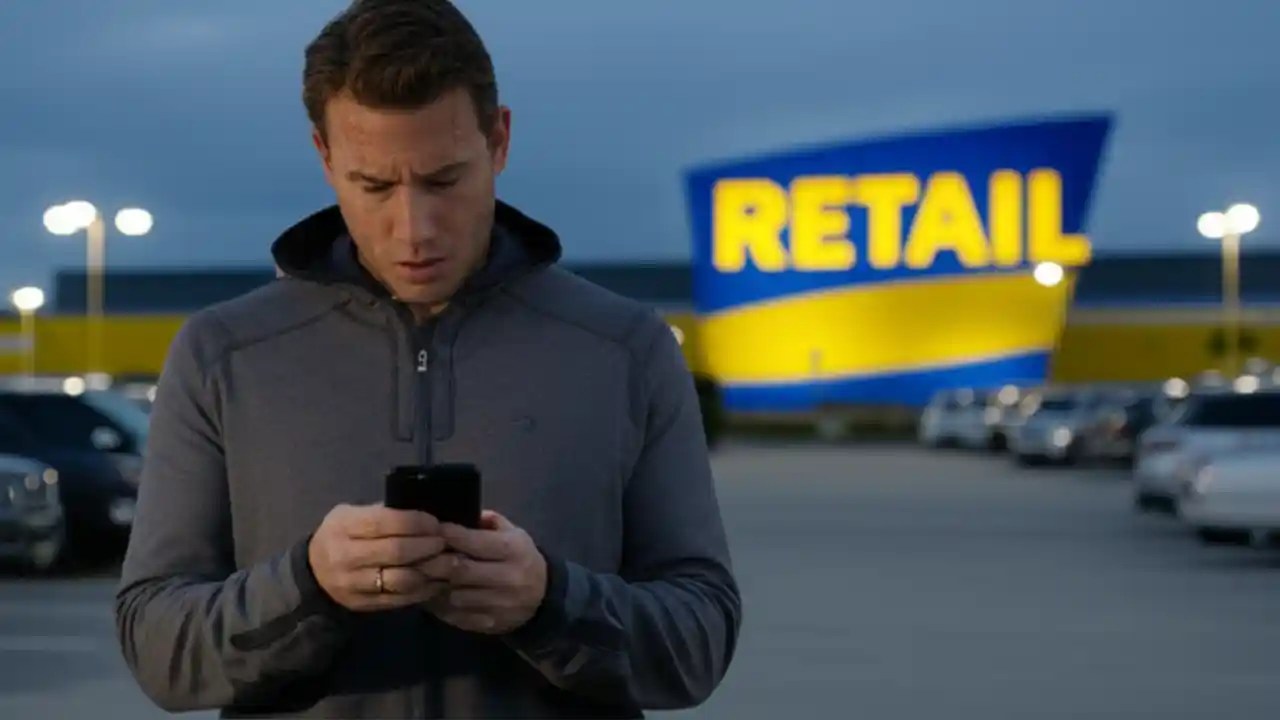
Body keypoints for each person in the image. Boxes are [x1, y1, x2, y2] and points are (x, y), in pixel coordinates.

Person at [113, 0, 742, 717]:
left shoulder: (627, 349)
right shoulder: (222, 354)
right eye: (374, 185)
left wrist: (550, 602)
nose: (413, 229)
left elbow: (701, 638)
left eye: (444, 180)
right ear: (324, 156)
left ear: (499, 140)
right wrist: (308, 583)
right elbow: (157, 649)